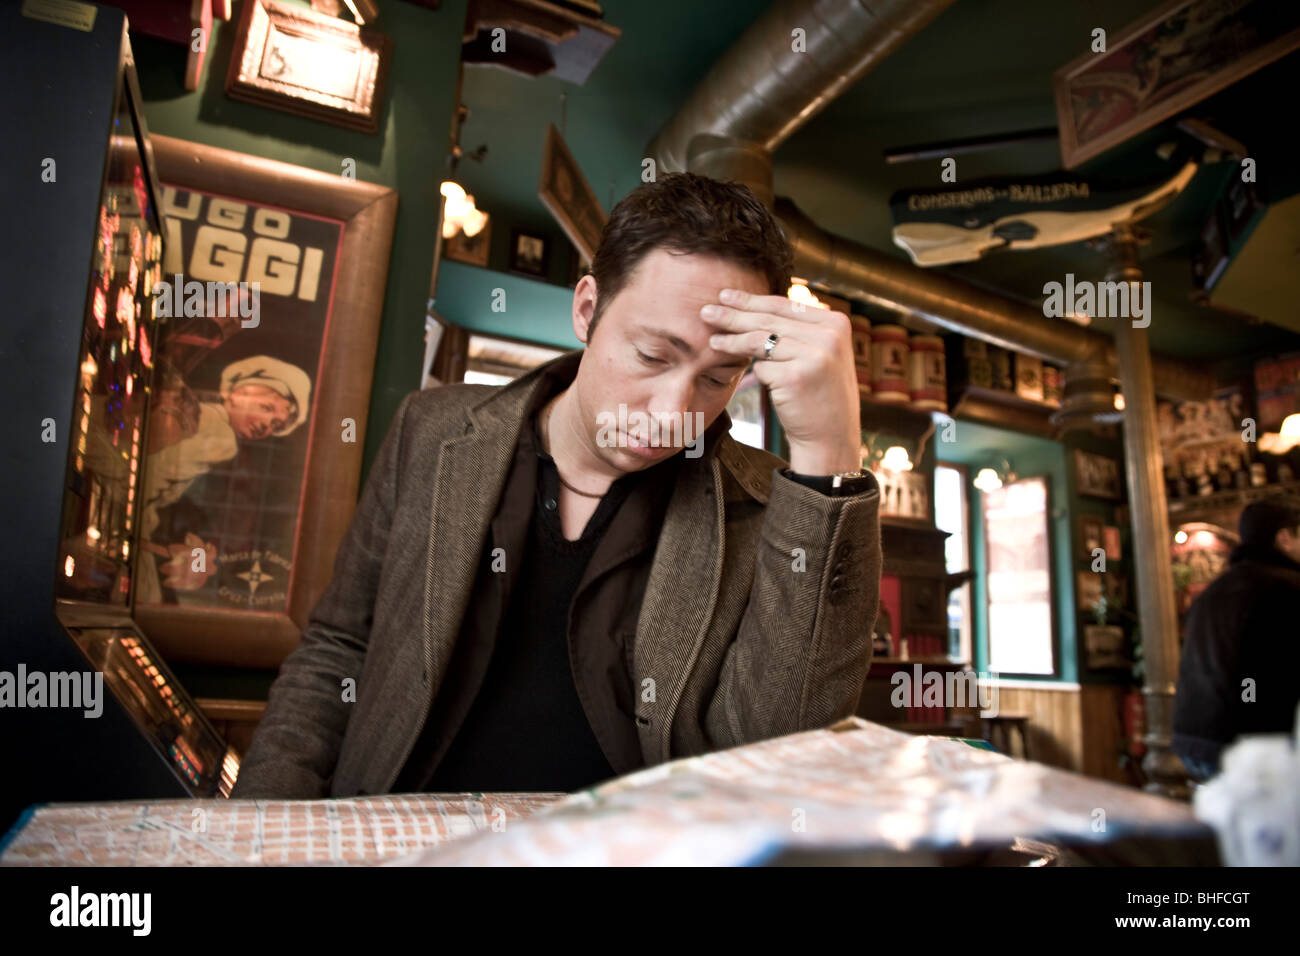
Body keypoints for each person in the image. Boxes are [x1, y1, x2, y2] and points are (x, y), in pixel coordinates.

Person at [232, 173, 882, 799]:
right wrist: (259, 834)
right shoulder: (430, 431)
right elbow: (339, 650)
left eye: (717, 378)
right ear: (587, 308)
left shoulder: (769, 505)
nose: (671, 412)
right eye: (653, 356)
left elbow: (779, 754)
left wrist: (828, 456)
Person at [1173, 497, 1300, 780]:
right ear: (1284, 538)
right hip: (1250, 748)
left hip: (1194, 744)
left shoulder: (1211, 593)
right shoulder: (1288, 589)